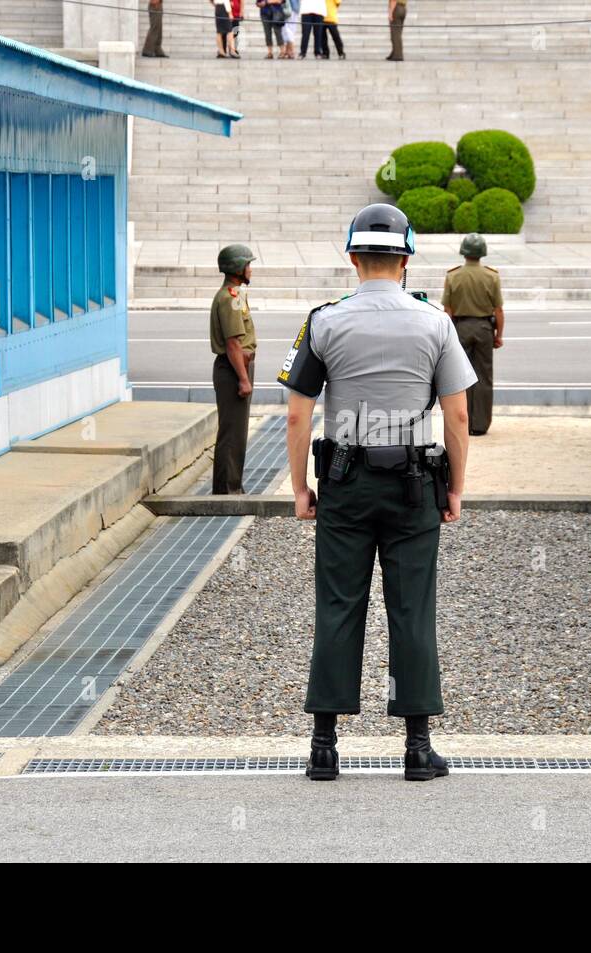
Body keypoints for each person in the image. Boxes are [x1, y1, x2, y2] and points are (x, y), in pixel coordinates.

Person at [278, 204, 475, 783]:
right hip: (415, 486)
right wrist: (456, 489)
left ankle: (323, 746)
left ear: (352, 258)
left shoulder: (324, 322)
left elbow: (297, 416)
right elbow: (458, 414)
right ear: (407, 258)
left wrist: (301, 489)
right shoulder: (434, 323)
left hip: (344, 481)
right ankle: (417, 747)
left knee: (338, 605)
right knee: (412, 609)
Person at [442, 233, 504, 436]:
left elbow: (448, 310)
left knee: (461, 377)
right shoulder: (491, 276)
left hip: (460, 328)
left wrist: (448, 335)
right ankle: (481, 424)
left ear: (463, 252)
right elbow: (498, 310)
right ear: (482, 253)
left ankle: (464, 422)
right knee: (484, 376)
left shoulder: (453, 276)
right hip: (484, 328)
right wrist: (498, 335)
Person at [211, 244, 258, 493]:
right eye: (248, 264)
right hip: (233, 369)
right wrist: (243, 379)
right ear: (238, 268)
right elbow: (232, 344)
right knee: (231, 434)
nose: (251, 269)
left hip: (238, 366)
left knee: (238, 433)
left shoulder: (236, 295)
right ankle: (226, 492)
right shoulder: (229, 298)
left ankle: (233, 487)